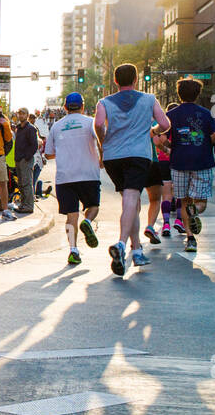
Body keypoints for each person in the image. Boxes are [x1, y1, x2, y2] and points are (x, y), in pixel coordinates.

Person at [94, 63, 171, 277]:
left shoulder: (104, 102)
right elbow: (165, 124)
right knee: (131, 200)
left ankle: (136, 250)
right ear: (135, 79)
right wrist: (152, 130)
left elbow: (99, 124)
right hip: (137, 155)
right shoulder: (148, 99)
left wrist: (104, 143)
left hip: (112, 156)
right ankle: (120, 243)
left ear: (115, 81)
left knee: (132, 202)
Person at [44, 92, 102, 266]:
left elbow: (48, 154)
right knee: (92, 207)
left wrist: (63, 150)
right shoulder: (90, 122)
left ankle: (73, 250)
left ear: (65, 107)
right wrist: (102, 158)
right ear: (82, 107)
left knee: (71, 216)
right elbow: (101, 140)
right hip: (88, 174)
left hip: (65, 177)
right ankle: (88, 222)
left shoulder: (56, 126)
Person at [166, 79, 215, 254]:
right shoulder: (205, 113)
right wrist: (205, 142)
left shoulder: (172, 114)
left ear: (179, 94)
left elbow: (161, 138)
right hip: (202, 162)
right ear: (198, 94)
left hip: (179, 162)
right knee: (200, 201)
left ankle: (190, 238)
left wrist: (168, 149)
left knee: (184, 201)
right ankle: (195, 210)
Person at [143, 108, 175, 242]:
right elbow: (157, 141)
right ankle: (150, 226)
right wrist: (166, 149)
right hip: (151, 161)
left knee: (132, 200)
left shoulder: (130, 122)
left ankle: (131, 238)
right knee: (155, 200)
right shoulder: (153, 123)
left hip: (132, 162)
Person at [13, 108, 40, 214]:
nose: (21, 115)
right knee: (20, 183)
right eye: (19, 113)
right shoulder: (18, 128)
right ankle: (23, 204)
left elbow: (34, 145)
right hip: (18, 159)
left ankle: (28, 206)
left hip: (25, 159)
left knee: (26, 183)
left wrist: (27, 157)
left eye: (23, 114)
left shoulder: (31, 128)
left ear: (27, 115)